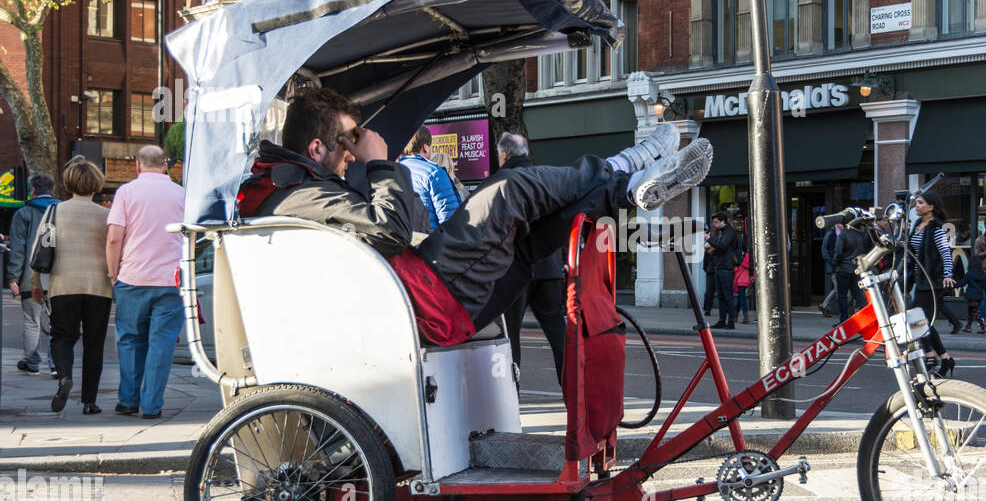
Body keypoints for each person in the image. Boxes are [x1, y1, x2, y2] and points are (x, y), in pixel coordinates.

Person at [238, 88, 711, 345]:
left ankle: (627, 189)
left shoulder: (295, 186)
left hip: (418, 293)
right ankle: (624, 169)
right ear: (316, 147)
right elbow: (390, 229)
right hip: (426, 299)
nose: (353, 150)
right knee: (508, 189)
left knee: (528, 237)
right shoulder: (295, 193)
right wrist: (381, 161)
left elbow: (386, 232)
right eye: (348, 139)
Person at [106, 145, 186, 419]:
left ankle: (128, 400)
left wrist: (112, 272)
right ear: (164, 165)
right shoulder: (182, 194)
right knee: (161, 344)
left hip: (132, 277)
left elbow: (115, 237)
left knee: (129, 340)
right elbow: (193, 236)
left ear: (138, 165)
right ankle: (152, 406)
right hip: (170, 281)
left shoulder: (126, 193)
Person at [34, 157, 112, 414]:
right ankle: (89, 401)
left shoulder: (53, 211)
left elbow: (40, 250)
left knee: (62, 338)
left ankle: (65, 376)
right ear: (96, 185)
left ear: (68, 184)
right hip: (98, 287)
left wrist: (37, 284)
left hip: (63, 284)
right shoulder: (107, 216)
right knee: (94, 343)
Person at [497, 131, 570, 381]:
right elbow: (561, 222)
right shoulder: (547, 178)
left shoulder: (504, 181)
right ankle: (573, 388)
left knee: (511, 336)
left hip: (516, 269)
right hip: (549, 267)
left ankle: (511, 394)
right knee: (558, 332)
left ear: (504, 155)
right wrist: (561, 259)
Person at [6, 173, 57, 376]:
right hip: (58, 277)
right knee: (57, 323)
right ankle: (56, 364)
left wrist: (13, 277)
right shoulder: (62, 210)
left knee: (31, 320)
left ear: (33, 190)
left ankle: (32, 361)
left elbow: (18, 249)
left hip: (31, 277)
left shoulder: (23, 213)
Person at [907, 190, 956, 377]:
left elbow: (945, 252)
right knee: (920, 320)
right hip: (920, 280)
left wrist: (947, 274)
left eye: (920, 203)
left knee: (917, 319)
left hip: (932, 281)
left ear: (931, 207)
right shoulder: (918, 225)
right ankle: (944, 359)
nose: (917, 206)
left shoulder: (936, 228)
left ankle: (931, 355)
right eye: (916, 203)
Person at [398, 127, 461, 230]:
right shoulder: (434, 173)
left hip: (402, 240)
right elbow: (449, 220)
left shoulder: (394, 170)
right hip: (429, 242)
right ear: (425, 147)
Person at [702, 211, 740, 329]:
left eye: (716, 222)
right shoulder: (721, 232)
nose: (714, 224)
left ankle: (731, 321)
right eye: (713, 222)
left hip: (726, 267)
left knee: (728, 295)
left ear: (723, 221)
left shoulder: (729, 232)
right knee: (721, 296)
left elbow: (722, 246)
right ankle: (722, 320)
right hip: (719, 266)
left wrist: (709, 240)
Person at [833, 216, 868, 322]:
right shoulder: (860, 235)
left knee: (842, 294)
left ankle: (844, 318)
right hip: (856, 269)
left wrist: (835, 264)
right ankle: (866, 316)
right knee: (857, 293)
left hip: (844, 269)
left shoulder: (842, 235)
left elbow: (838, 252)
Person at [954, 254, 986, 334]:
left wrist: (952, 285)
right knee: (970, 311)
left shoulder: (969, 274)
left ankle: (983, 326)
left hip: (971, 295)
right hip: (979, 296)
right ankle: (968, 327)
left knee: (975, 312)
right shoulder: (983, 274)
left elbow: (962, 283)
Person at [819, 219, 842, 318]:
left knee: (837, 288)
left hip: (839, 265)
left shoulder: (841, 234)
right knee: (839, 288)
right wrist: (832, 261)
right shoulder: (830, 234)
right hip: (833, 266)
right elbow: (824, 250)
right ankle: (826, 306)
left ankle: (825, 305)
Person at [733, 247, 752, 324]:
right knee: (740, 298)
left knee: (742, 298)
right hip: (745, 279)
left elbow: (736, 268)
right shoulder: (747, 255)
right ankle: (736, 316)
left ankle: (745, 317)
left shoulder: (738, 258)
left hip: (740, 279)